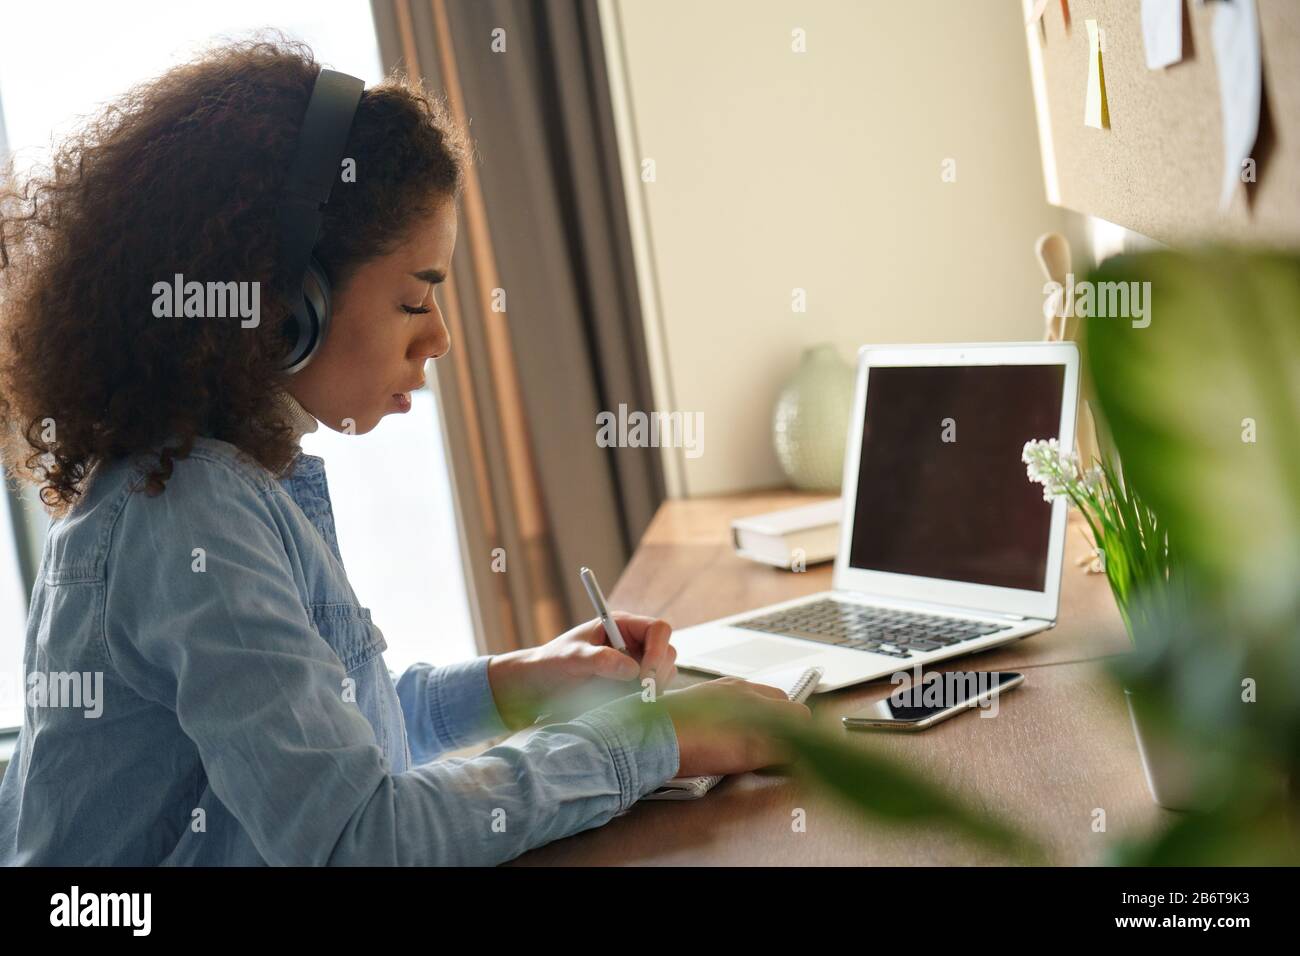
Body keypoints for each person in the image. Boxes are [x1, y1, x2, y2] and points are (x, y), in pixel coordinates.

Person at [0, 37, 808, 866]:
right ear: (286, 304)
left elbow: (326, 742)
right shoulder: (189, 513)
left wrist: (518, 682)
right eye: (415, 297)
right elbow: (360, 838)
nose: (442, 339)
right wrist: (650, 741)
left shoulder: (208, 482)